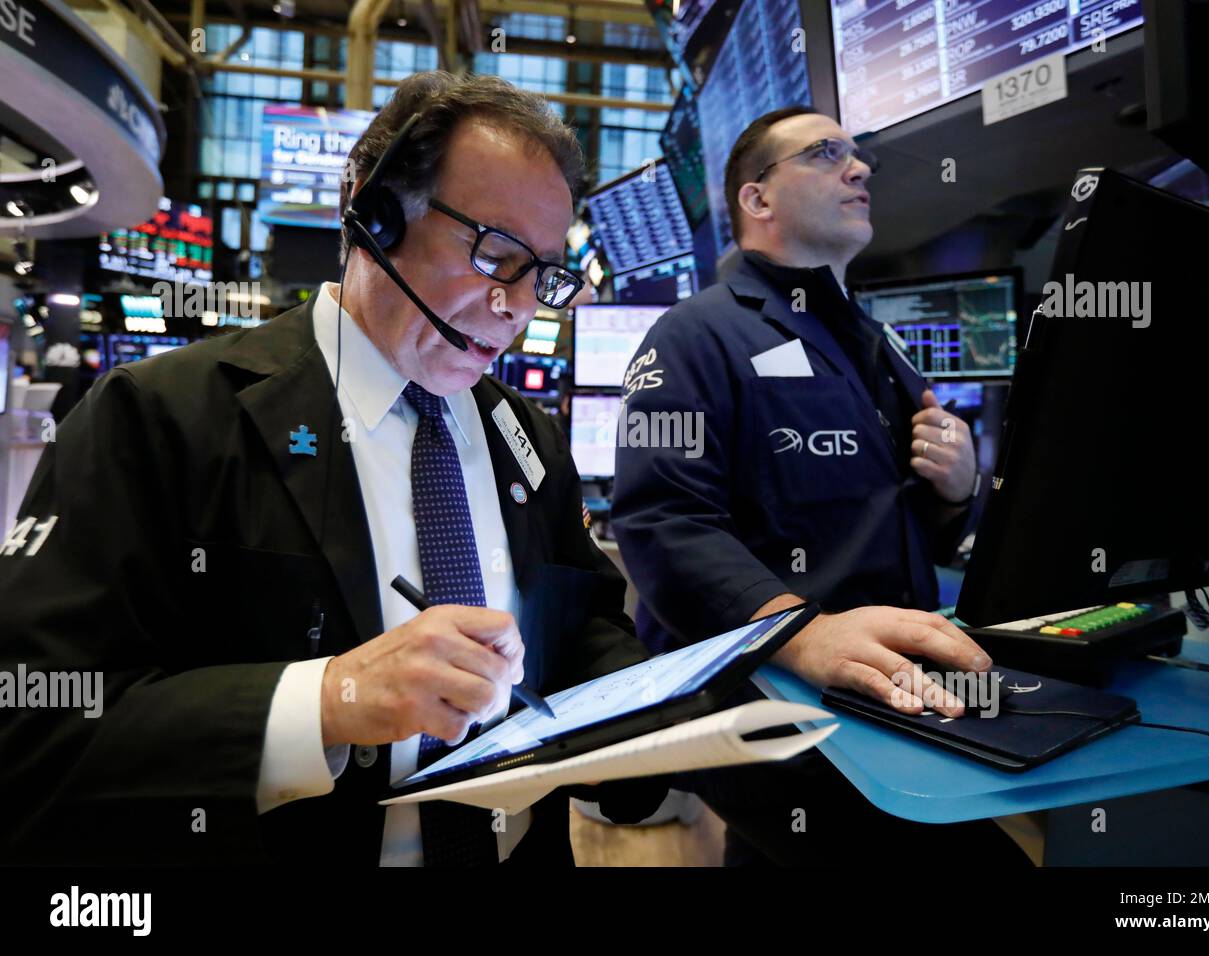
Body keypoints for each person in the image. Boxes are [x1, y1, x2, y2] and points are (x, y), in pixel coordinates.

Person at [0, 72, 662, 866]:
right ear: (373, 213)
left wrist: (669, 710)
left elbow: (580, 624)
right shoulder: (161, 417)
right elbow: (33, 727)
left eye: (542, 275)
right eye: (496, 253)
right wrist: (328, 701)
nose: (518, 307)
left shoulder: (524, 435)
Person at [611, 106, 1026, 865]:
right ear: (757, 199)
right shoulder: (696, 333)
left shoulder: (877, 343)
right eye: (827, 153)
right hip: (779, 712)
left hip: (890, 698)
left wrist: (960, 488)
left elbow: (909, 525)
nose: (860, 168)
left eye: (860, 155)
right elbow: (664, 525)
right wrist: (800, 631)